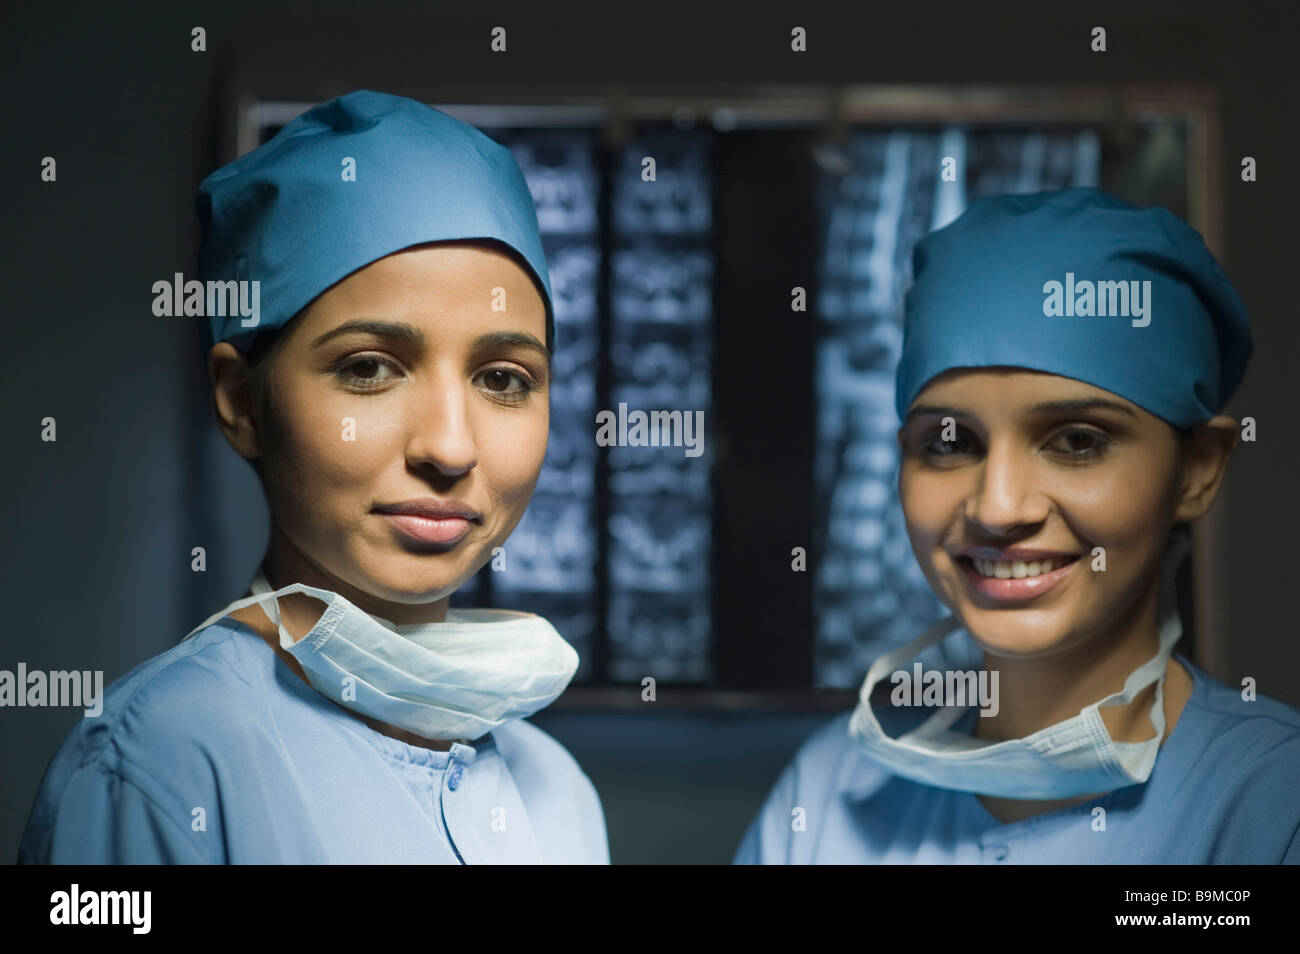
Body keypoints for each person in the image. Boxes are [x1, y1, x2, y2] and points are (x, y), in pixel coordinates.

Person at [19, 90, 609, 864]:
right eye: (369, 368)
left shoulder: (557, 792)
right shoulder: (159, 762)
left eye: (503, 379)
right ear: (243, 403)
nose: (450, 446)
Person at [734, 187, 1300, 864]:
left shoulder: (1271, 804)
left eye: (1078, 441)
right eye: (949, 442)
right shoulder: (823, 800)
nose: (999, 509)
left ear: (1197, 469)